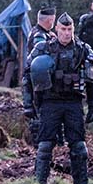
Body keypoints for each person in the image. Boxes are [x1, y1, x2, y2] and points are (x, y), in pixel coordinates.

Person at [27, 13, 93, 184]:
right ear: (56, 29)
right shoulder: (43, 48)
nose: (67, 33)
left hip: (73, 102)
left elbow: (92, 81)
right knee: (44, 146)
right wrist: (28, 105)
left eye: (70, 29)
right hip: (50, 102)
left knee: (79, 147)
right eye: (63, 29)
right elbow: (27, 75)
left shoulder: (83, 49)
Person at [22, 7, 57, 140]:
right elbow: (42, 54)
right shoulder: (39, 36)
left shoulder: (40, 32)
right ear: (50, 20)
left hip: (39, 81)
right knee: (39, 119)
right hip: (39, 81)